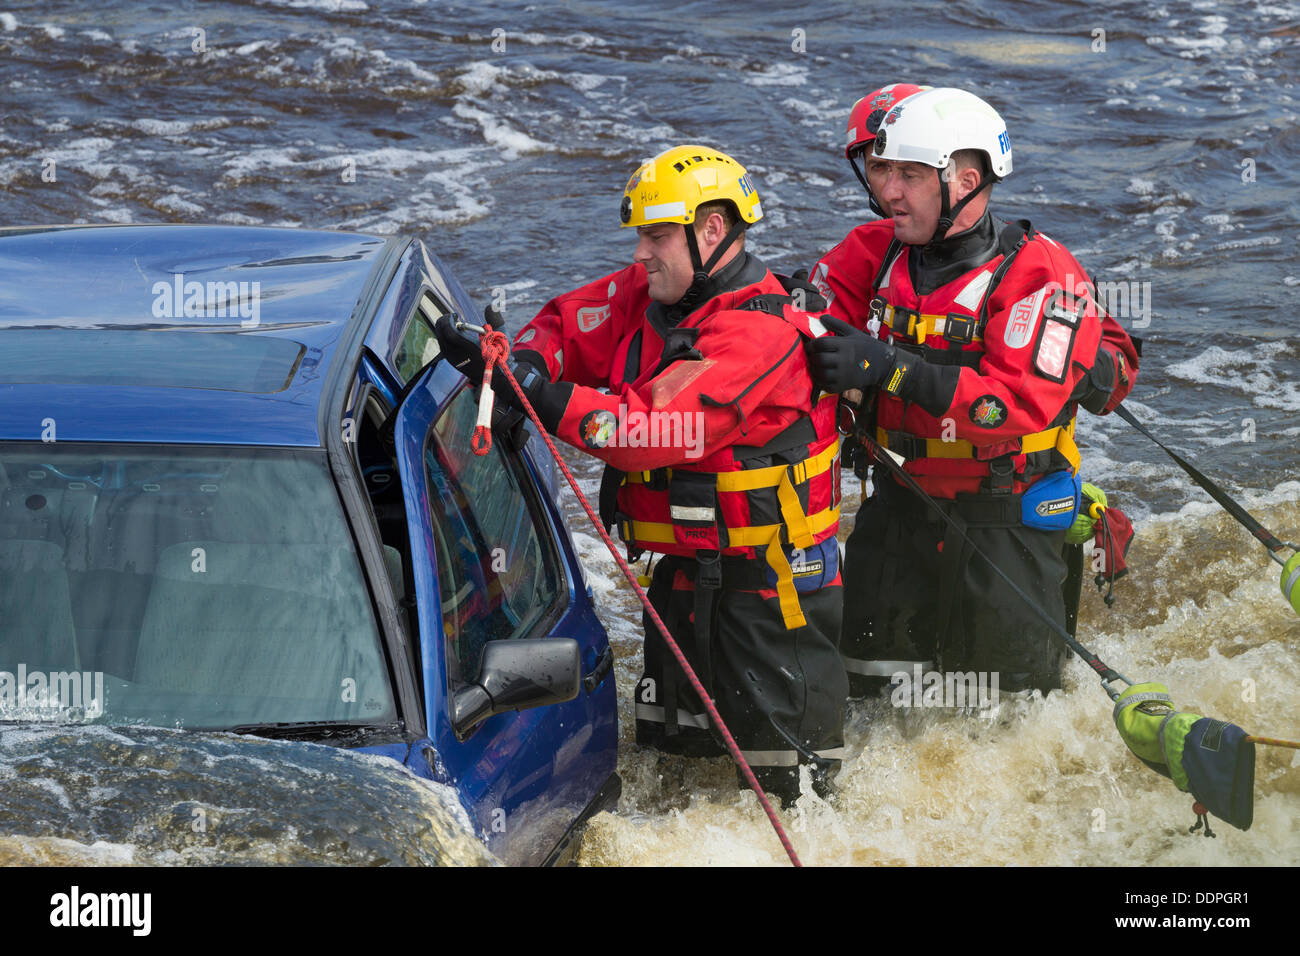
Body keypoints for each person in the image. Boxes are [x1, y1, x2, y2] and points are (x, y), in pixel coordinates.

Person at [438, 144, 848, 804]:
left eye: (656, 236)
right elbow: (563, 325)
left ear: (711, 230)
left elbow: (644, 433)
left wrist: (533, 395)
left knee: (788, 798)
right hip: (684, 584)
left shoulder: (758, 334)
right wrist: (524, 362)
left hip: (771, 601)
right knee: (675, 781)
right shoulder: (649, 294)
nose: (639, 255)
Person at [806, 87, 1140, 697]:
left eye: (908, 174)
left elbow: (1008, 406)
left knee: (997, 719)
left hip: (1004, 523)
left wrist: (887, 369)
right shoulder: (868, 252)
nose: (888, 191)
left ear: (966, 179)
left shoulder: (1043, 274)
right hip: (899, 505)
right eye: (882, 172)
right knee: (871, 702)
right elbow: (801, 330)